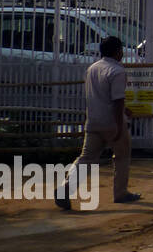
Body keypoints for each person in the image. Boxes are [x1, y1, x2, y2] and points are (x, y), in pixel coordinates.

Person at [56, 36, 140, 209]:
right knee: (122, 157)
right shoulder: (117, 71)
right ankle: (120, 193)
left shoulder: (92, 69)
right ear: (118, 52)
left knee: (86, 158)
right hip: (112, 123)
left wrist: (124, 110)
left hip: (93, 121)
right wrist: (119, 125)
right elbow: (117, 101)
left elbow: (101, 97)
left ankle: (65, 188)